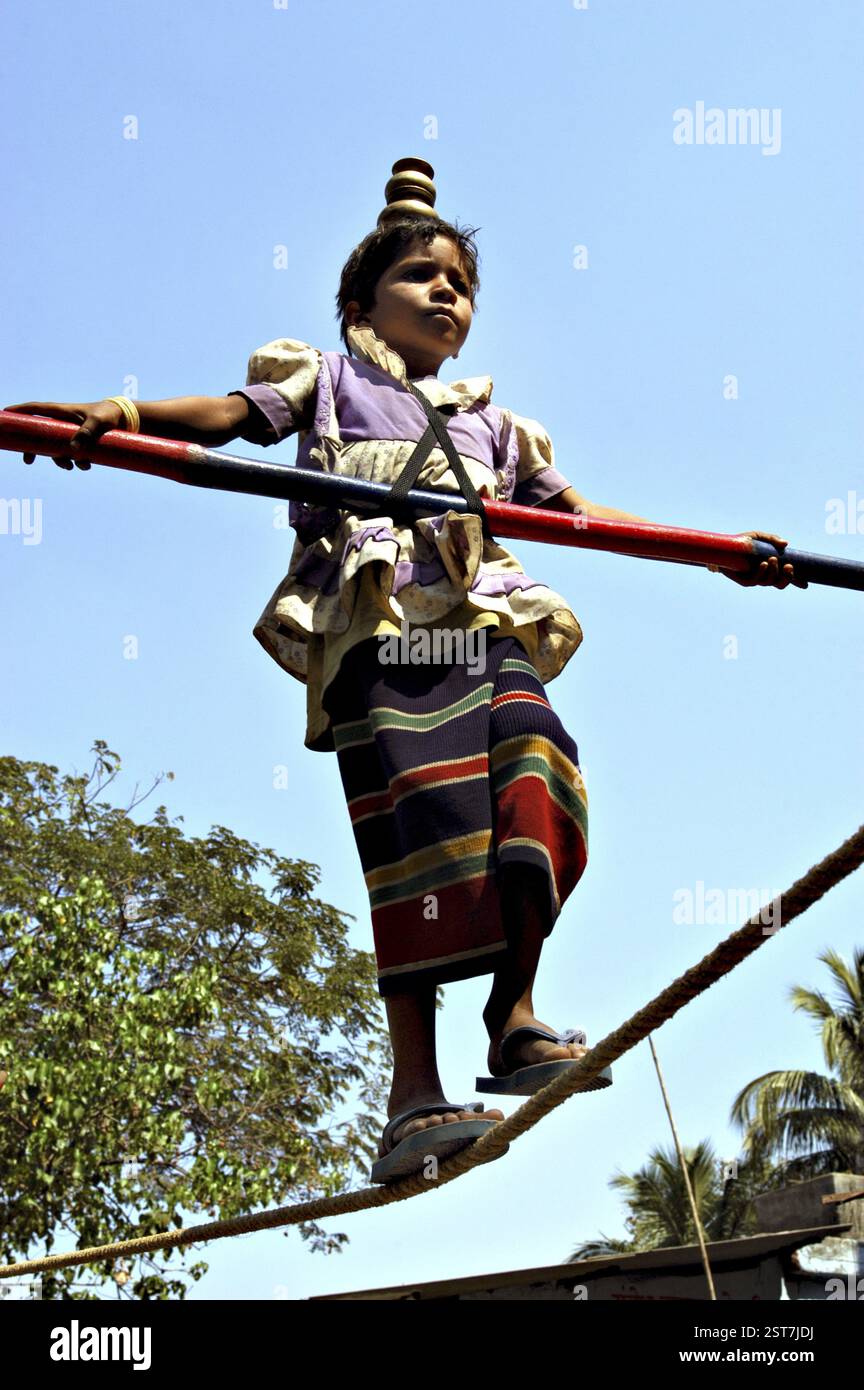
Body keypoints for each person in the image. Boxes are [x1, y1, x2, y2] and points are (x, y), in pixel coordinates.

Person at [5, 195, 804, 1185]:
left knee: (538, 769)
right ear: (360, 302)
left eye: (461, 285)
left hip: (475, 624)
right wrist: (116, 415)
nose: (445, 293)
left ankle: (513, 1018)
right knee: (418, 840)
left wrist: (722, 554)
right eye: (422, 276)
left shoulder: (498, 429)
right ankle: (413, 1098)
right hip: (378, 634)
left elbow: (588, 518)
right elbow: (223, 419)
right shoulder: (327, 379)